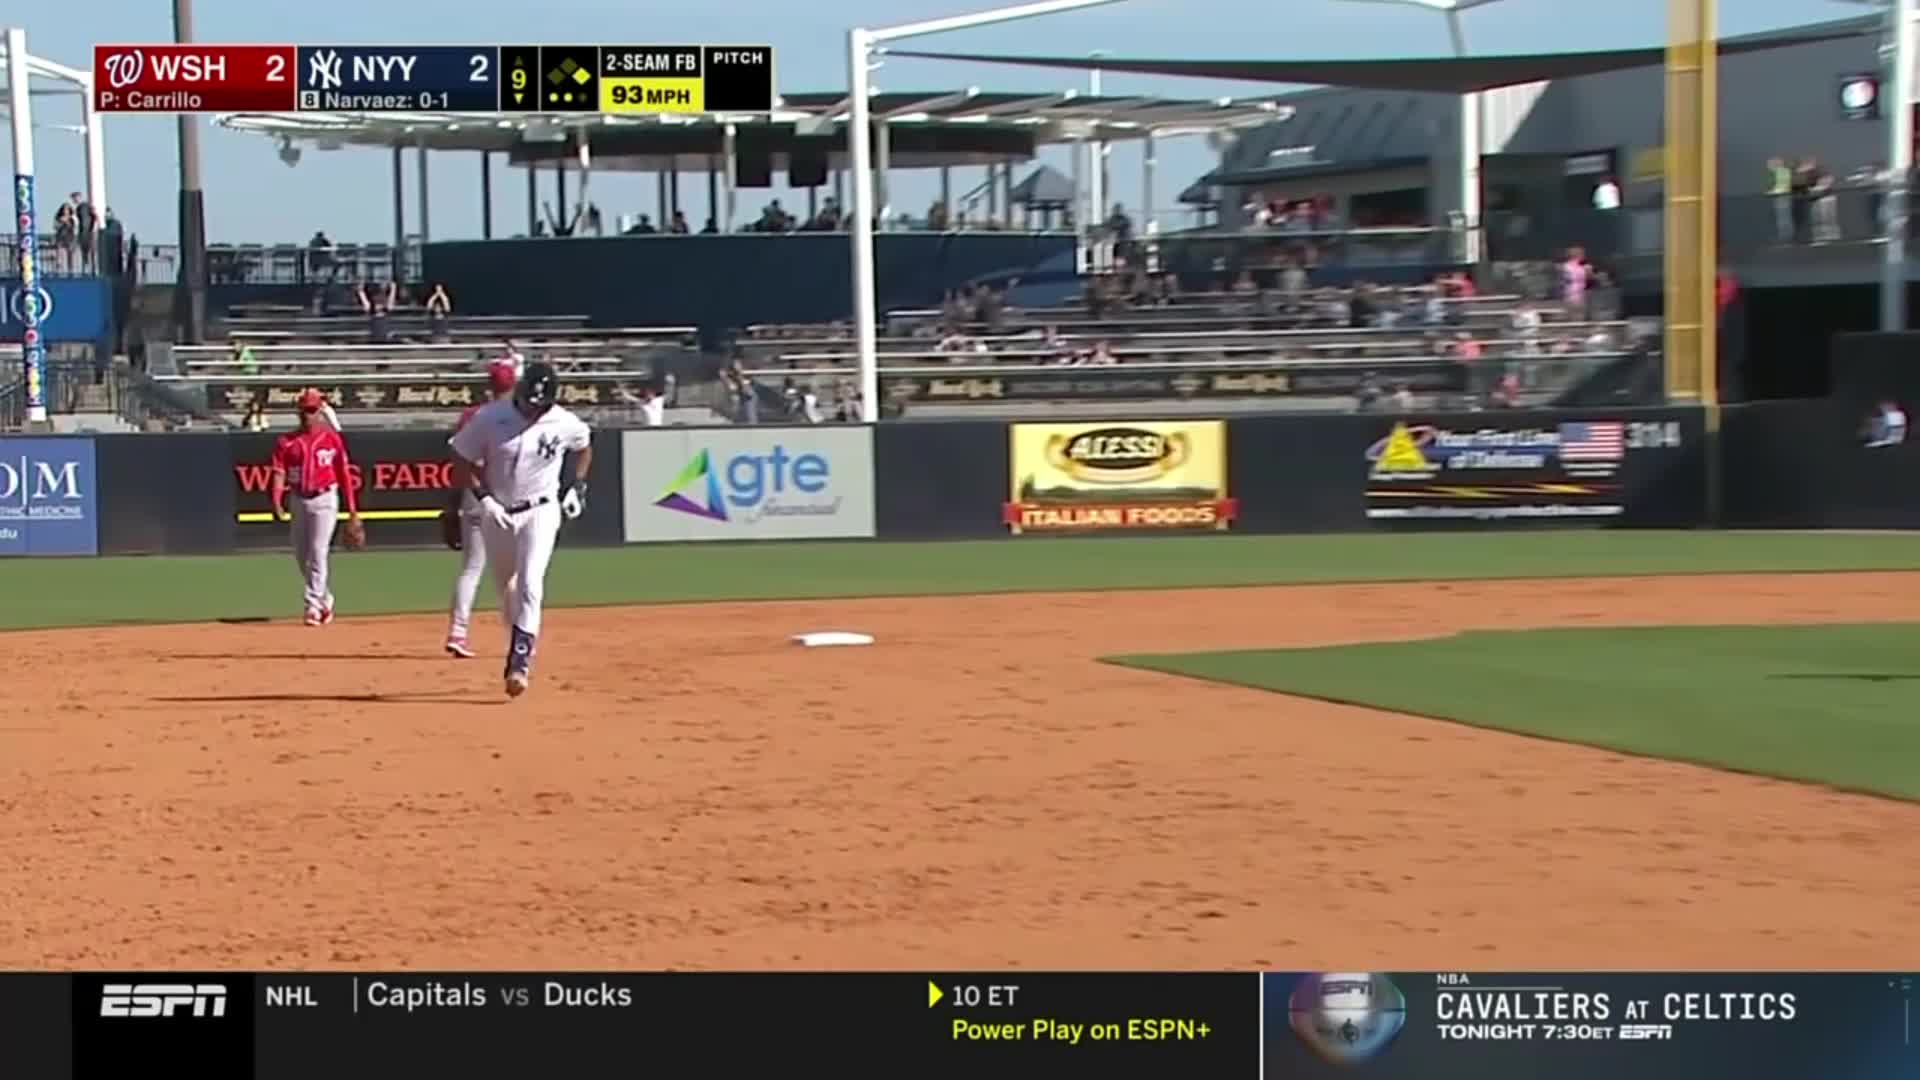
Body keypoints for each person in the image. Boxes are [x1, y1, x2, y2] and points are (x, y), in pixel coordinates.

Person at [448, 362, 593, 697]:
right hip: (498, 510)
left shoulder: (563, 421)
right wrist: (482, 498)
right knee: (507, 589)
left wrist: (578, 486)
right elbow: (460, 456)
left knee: (530, 582)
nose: (532, 409)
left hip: (541, 509)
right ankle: (519, 638)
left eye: (540, 404)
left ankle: (520, 662)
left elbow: (584, 445)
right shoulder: (489, 417)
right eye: (529, 401)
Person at [443, 360, 521, 658]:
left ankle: (458, 632)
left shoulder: (470, 416)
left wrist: (452, 504)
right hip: (507, 497)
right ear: (513, 385)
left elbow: (459, 462)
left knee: (472, 568)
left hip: (475, 496)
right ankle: (518, 635)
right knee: (514, 572)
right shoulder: (519, 416)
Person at [269, 388, 363, 625]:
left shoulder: (332, 440)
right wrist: (276, 498)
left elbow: (344, 475)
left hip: (325, 498)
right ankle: (324, 598)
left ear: (320, 411)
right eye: (303, 410)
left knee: (318, 551)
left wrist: (353, 511)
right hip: (299, 498)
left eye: (311, 410)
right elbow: (279, 472)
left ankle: (312, 605)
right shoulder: (287, 441)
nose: (306, 415)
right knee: (302, 555)